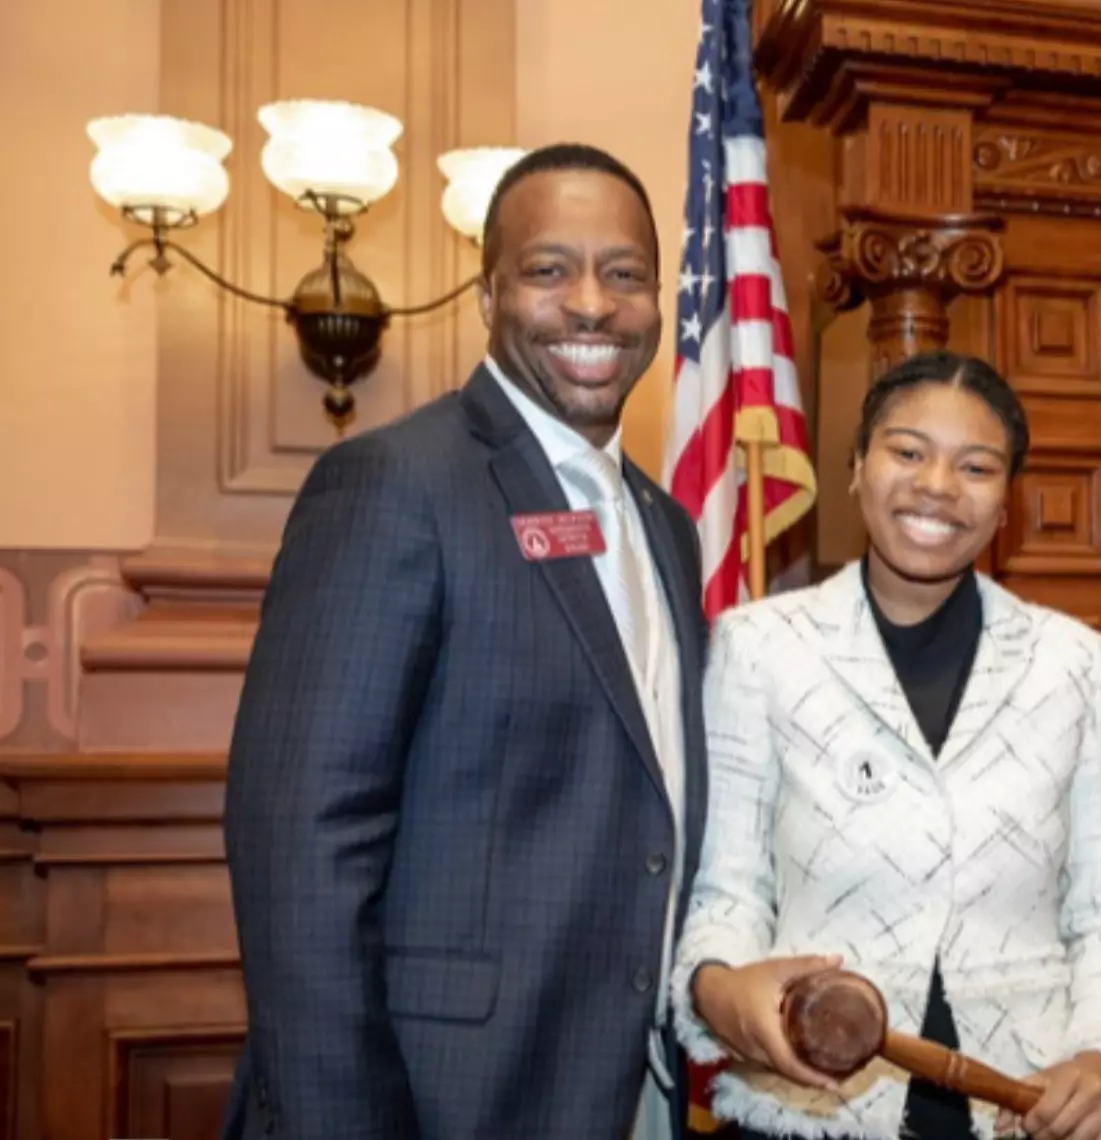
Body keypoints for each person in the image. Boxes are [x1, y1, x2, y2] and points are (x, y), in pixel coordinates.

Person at [220, 143, 707, 1140]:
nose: (590, 305)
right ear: (487, 294)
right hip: (444, 1096)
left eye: (623, 274)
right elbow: (301, 850)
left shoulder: (665, 524)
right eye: (548, 270)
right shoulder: (395, 485)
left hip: (630, 1086)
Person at [671, 351, 1101, 1140]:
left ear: (1006, 505)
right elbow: (727, 892)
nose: (936, 485)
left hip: (1021, 1105)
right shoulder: (759, 648)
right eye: (907, 452)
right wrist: (722, 989)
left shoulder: (1076, 665)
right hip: (810, 1104)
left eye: (976, 466)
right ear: (857, 468)